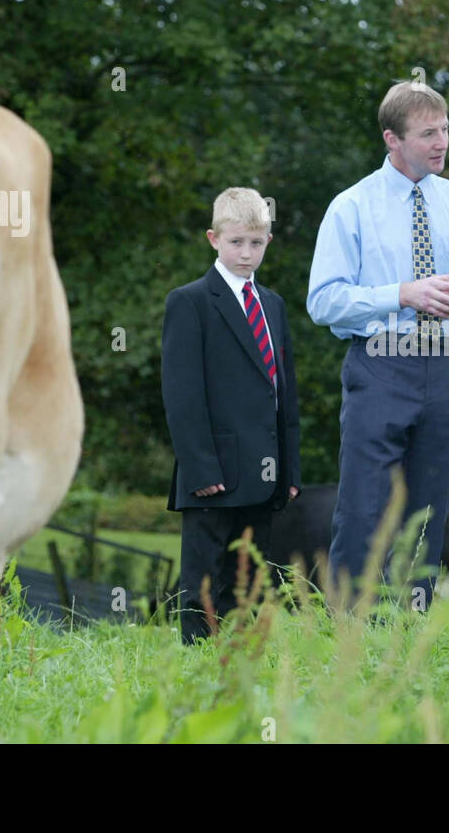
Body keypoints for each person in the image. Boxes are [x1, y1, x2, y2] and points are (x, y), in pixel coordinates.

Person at [307, 81, 449, 610]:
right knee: (365, 503)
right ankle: (352, 623)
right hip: (380, 365)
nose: (441, 142)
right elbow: (324, 301)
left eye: (444, 130)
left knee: (430, 507)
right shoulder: (350, 207)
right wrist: (402, 294)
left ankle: (411, 622)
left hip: (448, 367)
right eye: (427, 134)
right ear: (392, 139)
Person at [161, 187, 302, 644]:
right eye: (237, 241)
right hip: (213, 471)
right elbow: (182, 394)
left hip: (263, 472)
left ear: (268, 242)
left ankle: (242, 662)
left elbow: (283, 394)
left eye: (256, 243)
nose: (247, 253)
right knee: (203, 580)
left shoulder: (274, 306)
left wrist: (289, 468)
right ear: (213, 238)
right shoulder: (190, 302)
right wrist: (200, 467)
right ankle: (196, 661)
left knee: (248, 579)